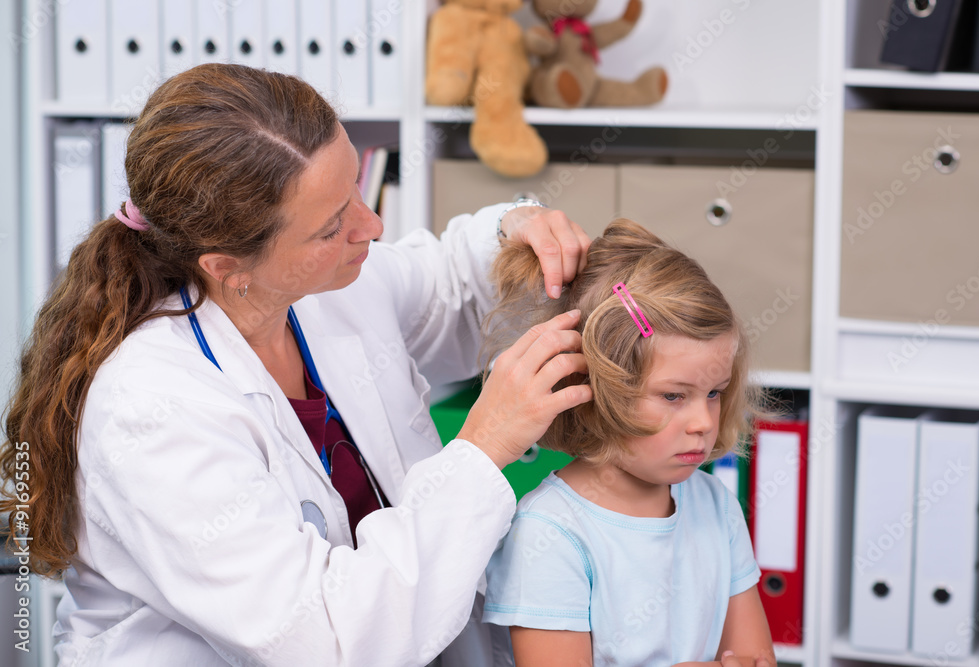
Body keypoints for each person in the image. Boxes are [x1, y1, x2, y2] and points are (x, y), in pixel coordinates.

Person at [0, 63, 594, 666]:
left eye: (356, 188)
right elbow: (327, 642)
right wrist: (485, 446)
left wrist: (513, 228)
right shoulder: (150, 408)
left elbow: (450, 287)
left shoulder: (320, 287)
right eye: (332, 227)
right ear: (228, 266)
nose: (372, 226)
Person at [479, 219, 776, 667]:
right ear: (597, 391)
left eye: (714, 392)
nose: (702, 422)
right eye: (673, 396)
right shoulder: (549, 533)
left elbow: (757, 659)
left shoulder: (716, 504)